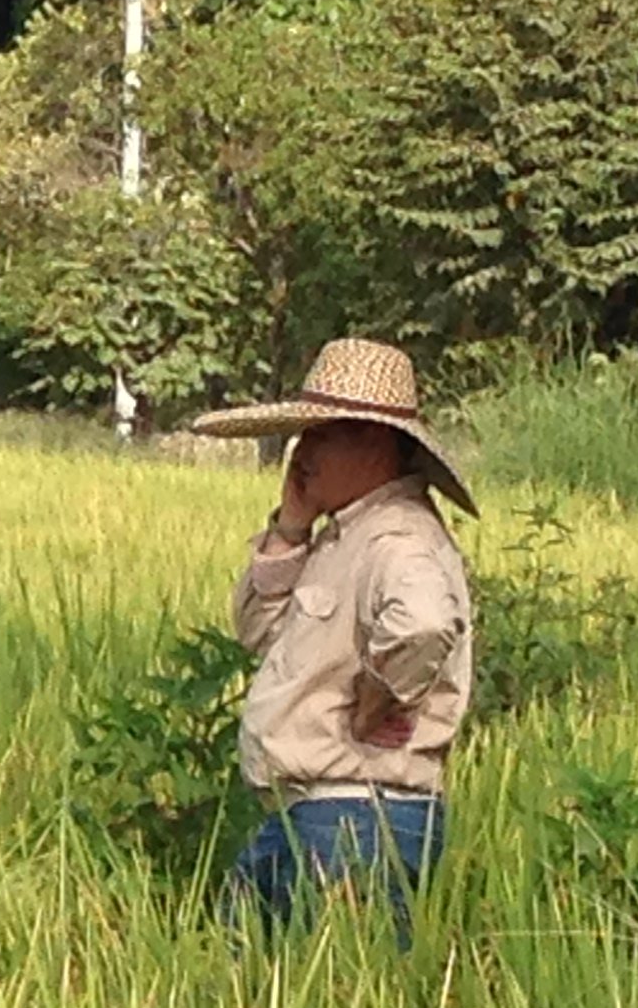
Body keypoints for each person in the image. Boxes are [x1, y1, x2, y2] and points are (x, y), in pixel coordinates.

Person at [191, 339, 477, 940]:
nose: (303, 450)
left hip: (358, 819)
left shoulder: (397, 538)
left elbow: (425, 623)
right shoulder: (341, 536)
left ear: (374, 441)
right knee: (240, 978)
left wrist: (381, 695)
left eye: (322, 434)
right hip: (309, 813)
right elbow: (257, 631)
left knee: (335, 1004)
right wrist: (291, 525)